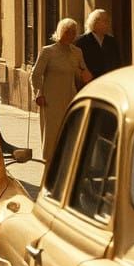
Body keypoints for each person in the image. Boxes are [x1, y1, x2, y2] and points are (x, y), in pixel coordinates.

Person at [30, 18, 93, 161]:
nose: (70, 35)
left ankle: (68, 159)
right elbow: (36, 74)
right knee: (52, 131)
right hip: (51, 98)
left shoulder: (77, 52)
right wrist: (38, 93)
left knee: (70, 129)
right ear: (60, 32)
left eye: (73, 32)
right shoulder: (48, 51)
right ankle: (50, 161)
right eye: (67, 32)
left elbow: (82, 73)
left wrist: (85, 75)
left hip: (70, 96)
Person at [75, 8, 123, 78]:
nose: (108, 24)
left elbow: (118, 62)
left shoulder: (111, 41)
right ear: (95, 22)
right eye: (105, 21)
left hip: (109, 80)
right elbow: (77, 64)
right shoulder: (82, 41)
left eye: (108, 21)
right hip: (92, 81)